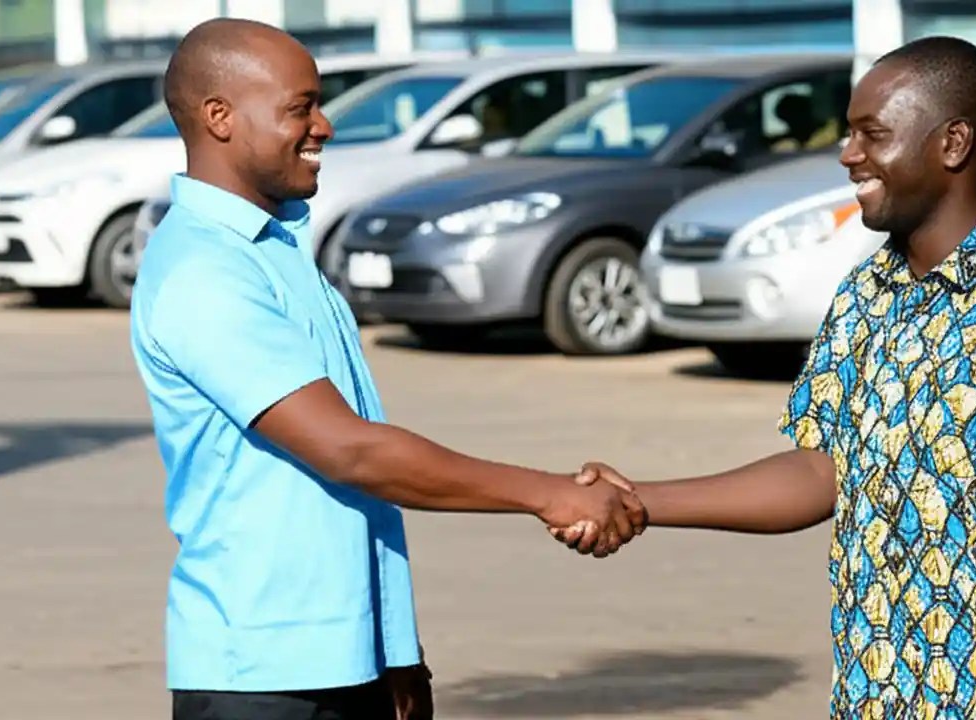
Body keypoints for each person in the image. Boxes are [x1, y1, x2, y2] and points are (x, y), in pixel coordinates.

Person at [564, 36, 976, 719]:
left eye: (872, 134)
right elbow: (817, 473)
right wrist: (639, 501)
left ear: (953, 143)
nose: (848, 154)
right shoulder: (864, 297)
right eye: (848, 134)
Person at [128, 18, 646, 720]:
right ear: (219, 118)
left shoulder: (271, 247)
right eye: (299, 107)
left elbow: (351, 499)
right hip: (263, 680)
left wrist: (394, 649)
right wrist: (550, 494)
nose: (324, 126)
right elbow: (352, 452)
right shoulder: (204, 269)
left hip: (343, 663)